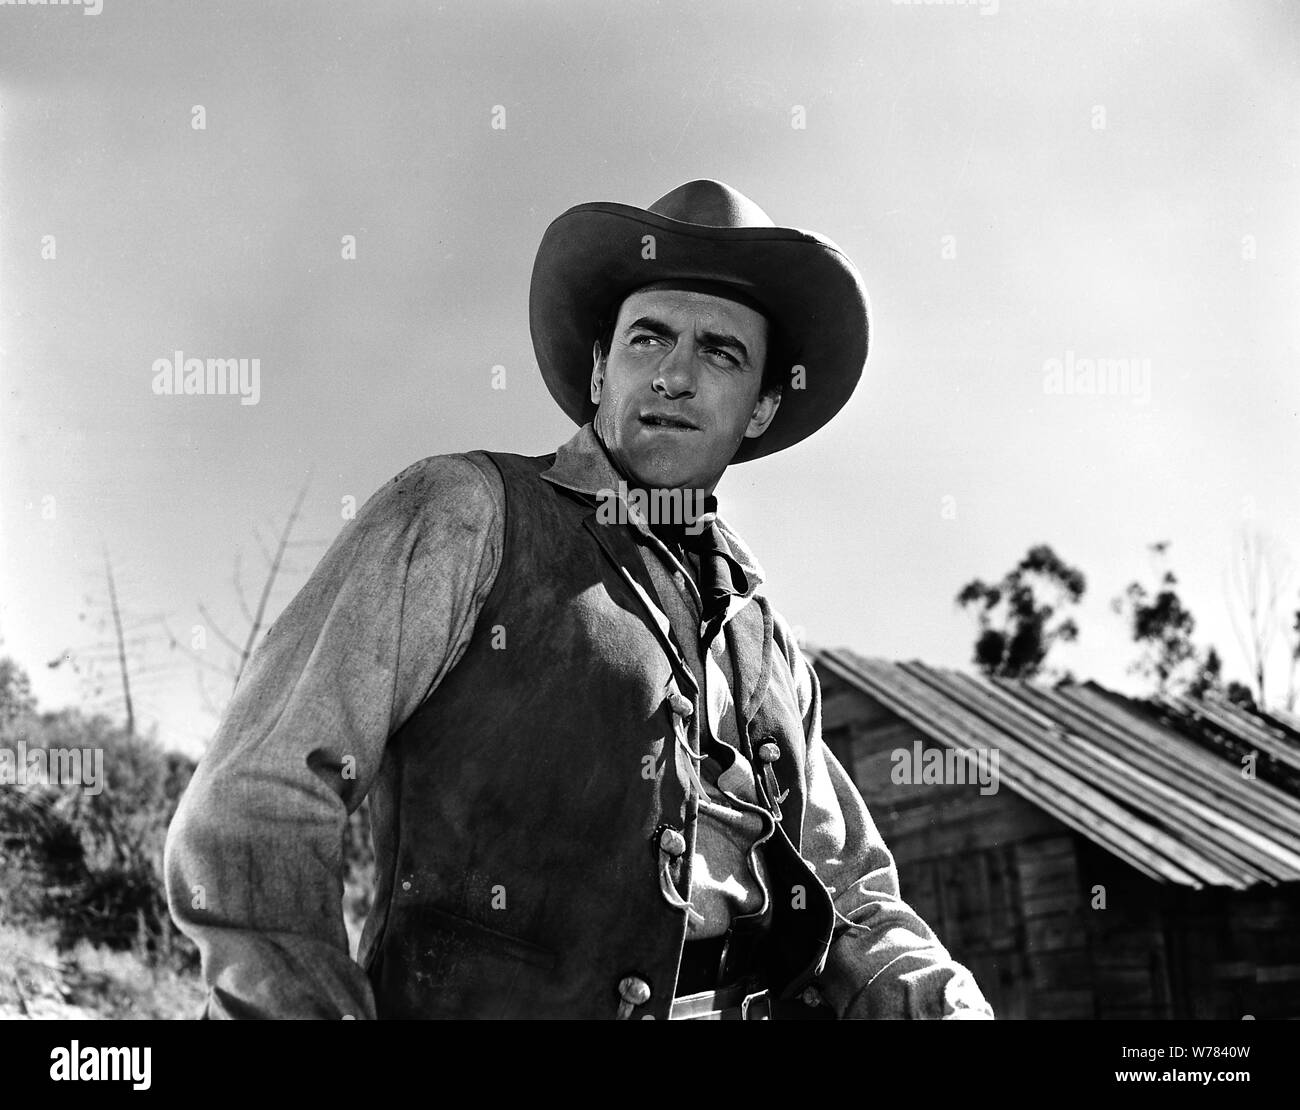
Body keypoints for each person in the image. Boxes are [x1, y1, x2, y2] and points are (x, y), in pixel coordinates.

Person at [164, 179, 994, 1021]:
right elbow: (259, 801)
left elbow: (851, 895)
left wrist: (947, 1005)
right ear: (601, 368)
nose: (674, 374)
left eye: (721, 353)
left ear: (762, 407)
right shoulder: (466, 514)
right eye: (648, 337)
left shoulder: (762, 638)